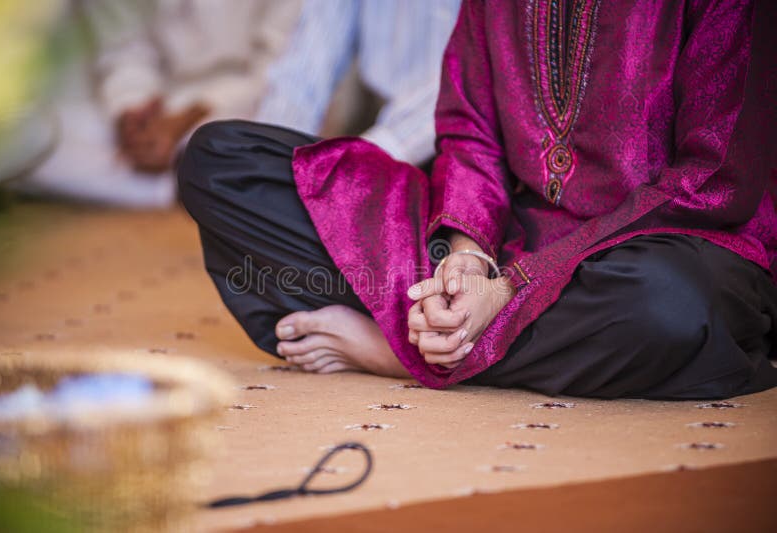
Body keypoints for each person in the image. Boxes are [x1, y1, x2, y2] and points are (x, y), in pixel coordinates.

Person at [179, 0, 777, 400]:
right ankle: (453, 332)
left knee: (669, 305)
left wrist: (510, 288)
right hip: (509, 235)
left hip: (663, 248)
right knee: (225, 163)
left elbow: (712, 180)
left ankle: (398, 351)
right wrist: (467, 259)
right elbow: (470, 134)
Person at [10, 0, 300, 207]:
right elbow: (123, 55)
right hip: (162, 104)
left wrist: (187, 119)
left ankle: (194, 177)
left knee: (282, 128)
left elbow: (283, 69)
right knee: (29, 138)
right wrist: (132, 113)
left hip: (245, 104)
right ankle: (200, 183)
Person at [256, 0, 461, 166]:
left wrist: (354, 163)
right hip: (379, 123)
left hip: (468, 149)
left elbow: (465, 83)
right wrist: (275, 153)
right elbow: (309, 60)